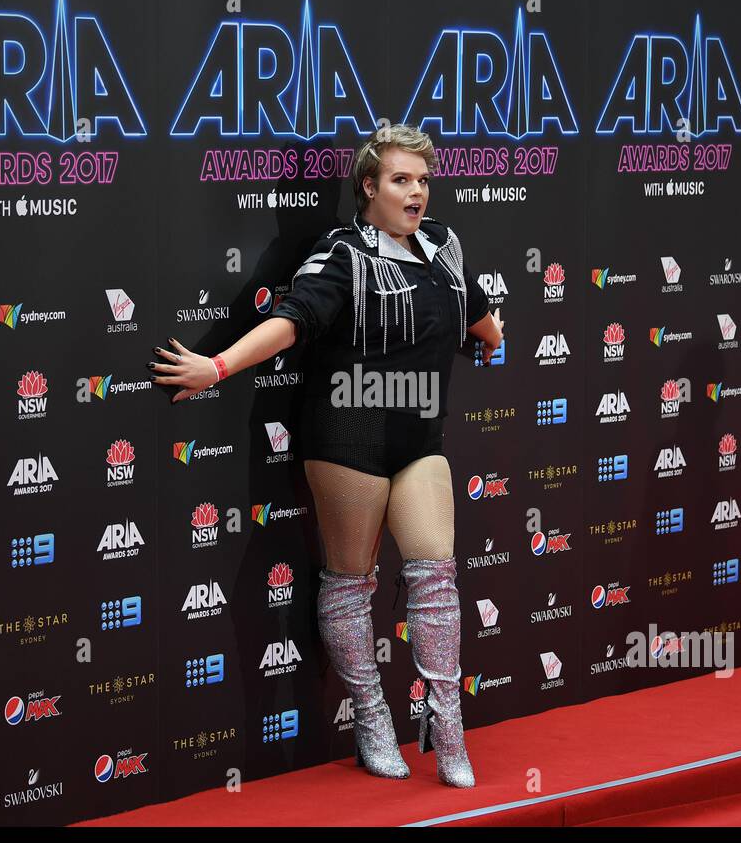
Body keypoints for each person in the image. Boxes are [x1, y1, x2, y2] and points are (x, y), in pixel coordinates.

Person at [149, 124, 504, 788]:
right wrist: (217, 365)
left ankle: (448, 730)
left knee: (436, 578)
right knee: (351, 582)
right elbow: (292, 321)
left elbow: (478, 316)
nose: (416, 192)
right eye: (401, 180)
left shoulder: (444, 247)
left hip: (420, 439)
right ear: (367, 187)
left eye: (423, 180)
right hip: (348, 437)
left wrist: (490, 332)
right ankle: (372, 719)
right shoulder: (340, 253)